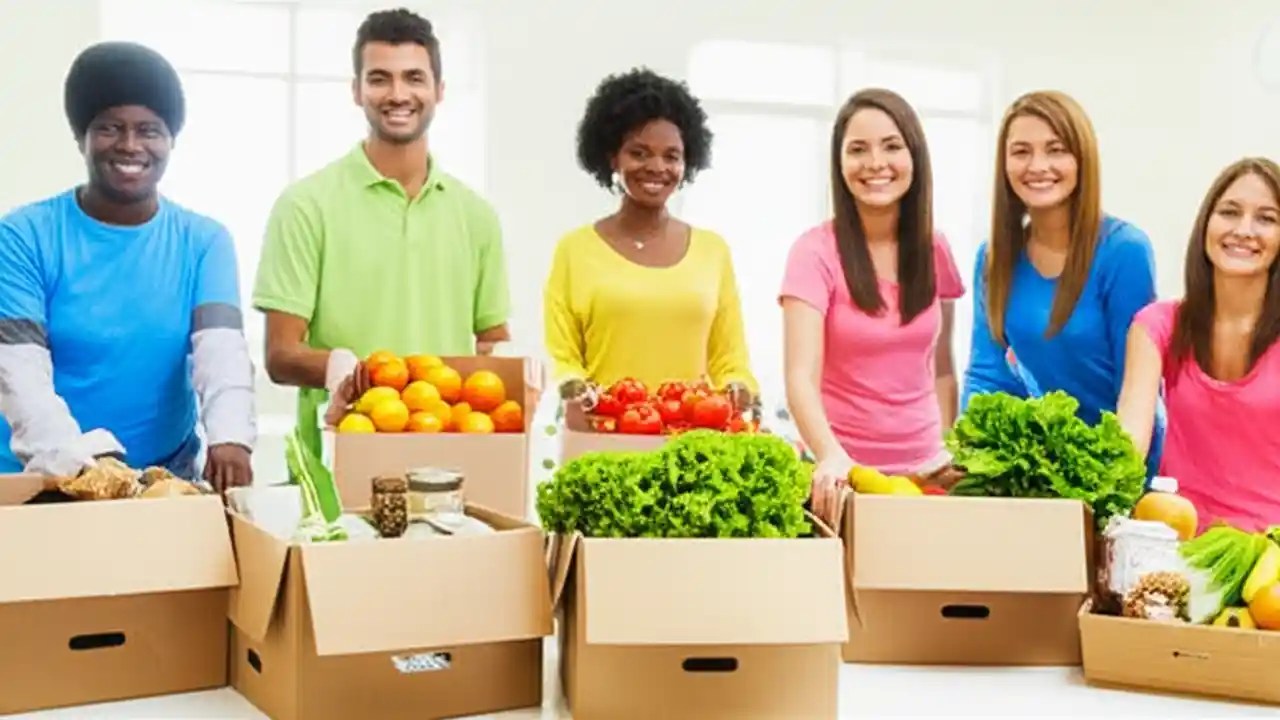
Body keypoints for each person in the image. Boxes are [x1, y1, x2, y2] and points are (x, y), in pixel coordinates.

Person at [253, 9, 512, 464]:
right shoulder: (305, 205)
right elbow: (280, 355)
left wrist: (519, 368)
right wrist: (353, 372)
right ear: (356, 91)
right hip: (337, 462)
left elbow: (491, 341)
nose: (398, 94)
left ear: (439, 90)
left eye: (414, 77)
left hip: (448, 463)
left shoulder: (477, 215)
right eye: (379, 79)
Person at [0, 41, 255, 493]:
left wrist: (231, 438)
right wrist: (80, 466)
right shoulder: (23, 235)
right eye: (110, 128)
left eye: (149, 130)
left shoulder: (204, 241)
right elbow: (19, 372)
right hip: (39, 472)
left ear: (171, 139)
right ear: (81, 137)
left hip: (164, 475)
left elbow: (222, 355)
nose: (130, 145)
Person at [781, 89, 965, 522]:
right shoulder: (814, 252)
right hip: (847, 477)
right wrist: (830, 456)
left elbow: (940, 367)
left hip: (927, 475)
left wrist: (946, 447)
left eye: (891, 146)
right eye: (857, 150)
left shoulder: (935, 248)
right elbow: (799, 378)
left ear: (914, 156)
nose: (875, 163)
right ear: (839, 163)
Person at [962, 89, 1164, 477]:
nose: (1038, 165)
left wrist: (1111, 476)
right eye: (1021, 151)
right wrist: (975, 457)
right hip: (1040, 469)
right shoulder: (993, 258)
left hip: (1118, 466)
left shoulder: (1124, 251)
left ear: (1082, 159)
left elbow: (1135, 389)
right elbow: (987, 375)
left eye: (1056, 149)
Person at [544, 67, 756, 415]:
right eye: (639, 153)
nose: (657, 167)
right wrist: (576, 390)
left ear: (687, 164)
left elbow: (730, 359)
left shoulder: (712, 251)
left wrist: (739, 388)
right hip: (602, 438)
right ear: (613, 157)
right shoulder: (575, 250)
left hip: (690, 445)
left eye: (671, 156)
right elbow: (563, 358)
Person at [1117, 158, 1280, 532]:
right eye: (1229, 212)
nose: (1244, 230)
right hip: (1181, 547)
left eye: (1266, 218)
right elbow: (1128, 442)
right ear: (1206, 222)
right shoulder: (1158, 325)